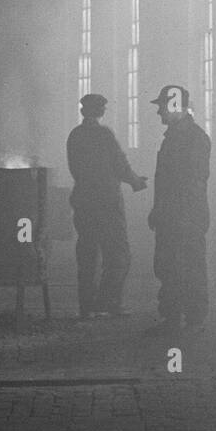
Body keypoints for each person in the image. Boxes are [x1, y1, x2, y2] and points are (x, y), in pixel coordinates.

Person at [66, 93, 147, 318]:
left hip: (84, 201)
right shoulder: (104, 135)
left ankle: (86, 305)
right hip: (107, 202)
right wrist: (136, 181)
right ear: (99, 111)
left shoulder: (75, 135)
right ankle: (109, 302)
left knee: (87, 253)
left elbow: (75, 168)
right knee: (118, 253)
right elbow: (119, 163)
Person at [147, 84, 211, 335]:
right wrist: (159, 210)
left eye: (162, 106)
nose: (159, 112)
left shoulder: (193, 139)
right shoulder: (180, 137)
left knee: (189, 265)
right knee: (169, 265)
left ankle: (192, 318)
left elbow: (189, 181)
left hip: (185, 216)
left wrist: (172, 212)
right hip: (175, 215)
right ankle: (174, 317)